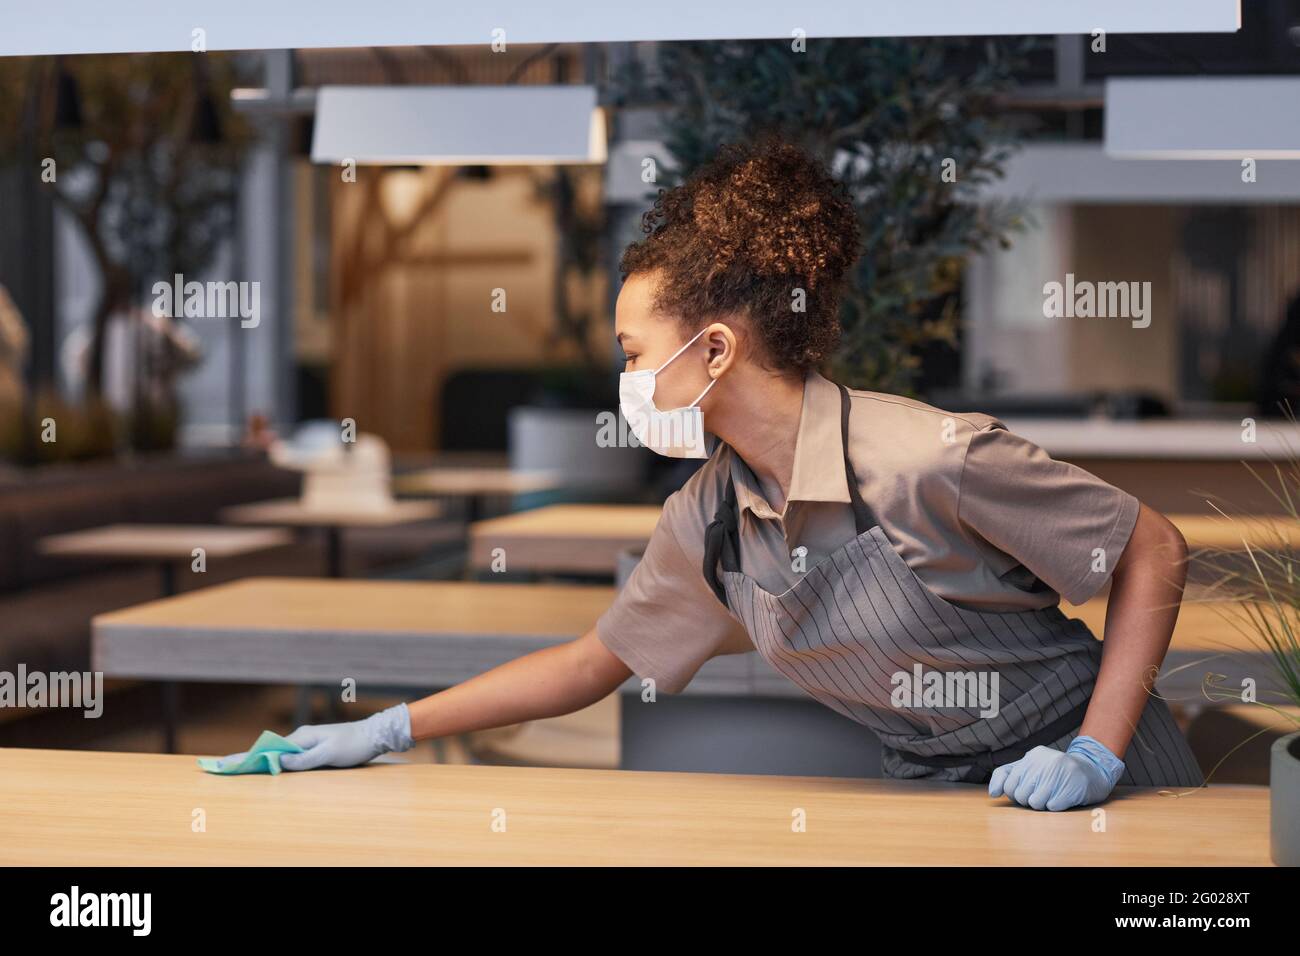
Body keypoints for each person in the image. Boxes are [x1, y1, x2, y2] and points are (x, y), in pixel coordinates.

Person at [212, 140, 1203, 811]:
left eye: (633, 351)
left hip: (1109, 783)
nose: (625, 378)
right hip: (949, 799)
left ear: (716, 350)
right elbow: (587, 662)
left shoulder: (918, 459)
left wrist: (1093, 753)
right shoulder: (708, 517)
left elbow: (1148, 545)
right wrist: (383, 727)